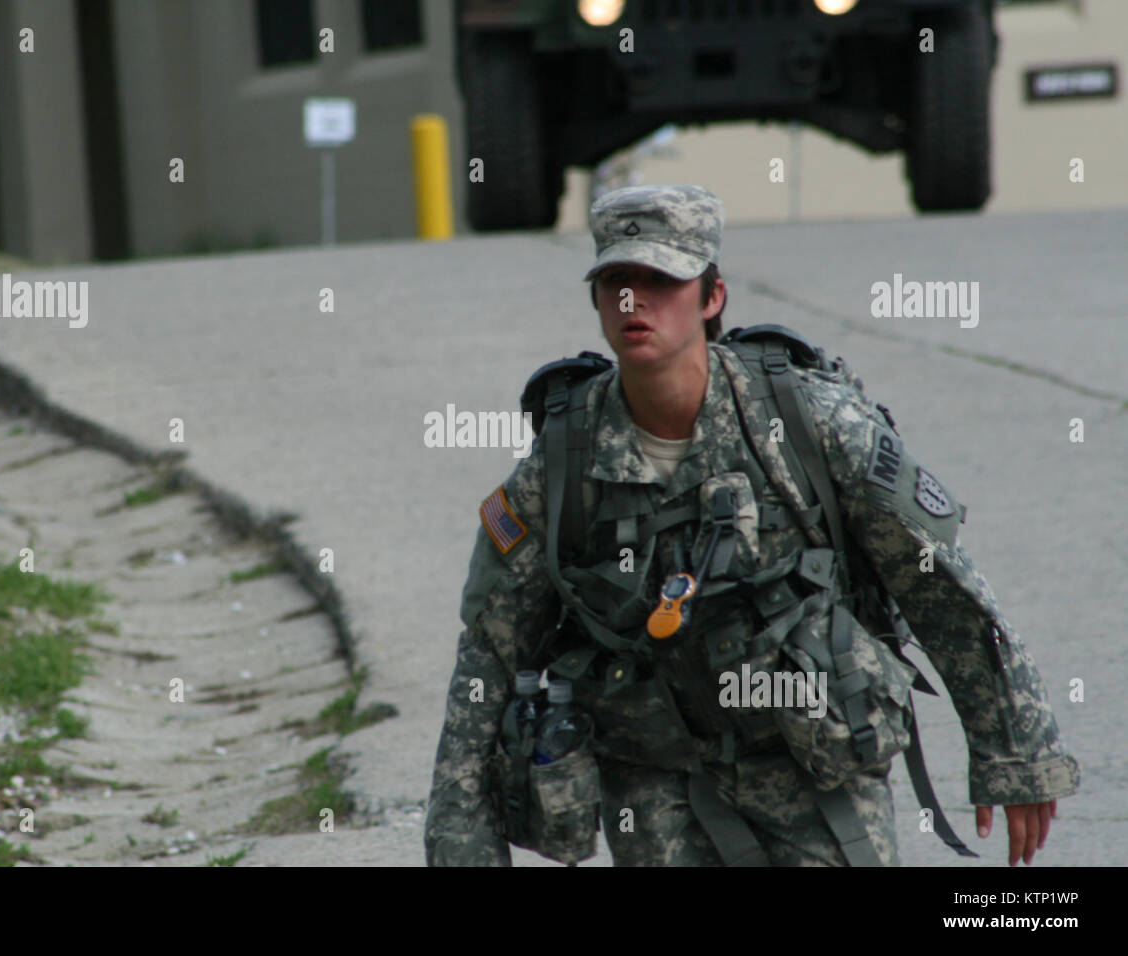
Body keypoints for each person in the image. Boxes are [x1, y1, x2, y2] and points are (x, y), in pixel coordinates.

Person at [424, 184, 1079, 867]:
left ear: (712, 298)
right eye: (615, 280)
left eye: (661, 279)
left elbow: (940, 587)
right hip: (655, 786)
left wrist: (1016, 756)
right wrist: (462, 849)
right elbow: (488, 664)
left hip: (814, 761)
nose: (632, 300)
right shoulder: (559, 467)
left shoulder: (809, 425)